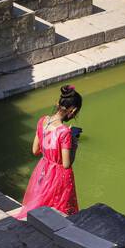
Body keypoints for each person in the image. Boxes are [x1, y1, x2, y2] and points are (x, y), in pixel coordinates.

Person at [15, 84, 82, 219]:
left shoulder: (42, 121)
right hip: (59, 176)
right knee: (60, 210)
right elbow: (66, 164)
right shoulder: (64, 132)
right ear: (73, 111)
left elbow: (35, 150)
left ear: (57, 104)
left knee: (41, 201)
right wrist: (74, 144)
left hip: (43, 170)